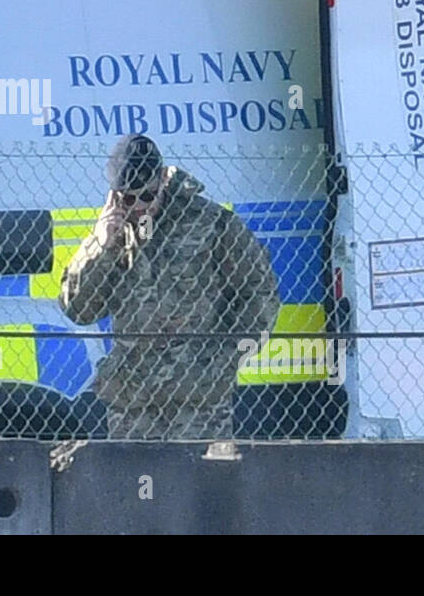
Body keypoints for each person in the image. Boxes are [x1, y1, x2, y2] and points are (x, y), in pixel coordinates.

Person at [59, 134, 281, 439]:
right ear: (114, 196)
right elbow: (78, 310)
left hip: (198, 397)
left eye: (147, 196)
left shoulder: (212, 224)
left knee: (202, 483)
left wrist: (225, 357)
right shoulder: (113, 233)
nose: (138, 207)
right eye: (128, 198)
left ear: (164, 179)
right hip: (133, 399)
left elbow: (259, 292)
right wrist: (101, 246)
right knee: (133, 482)